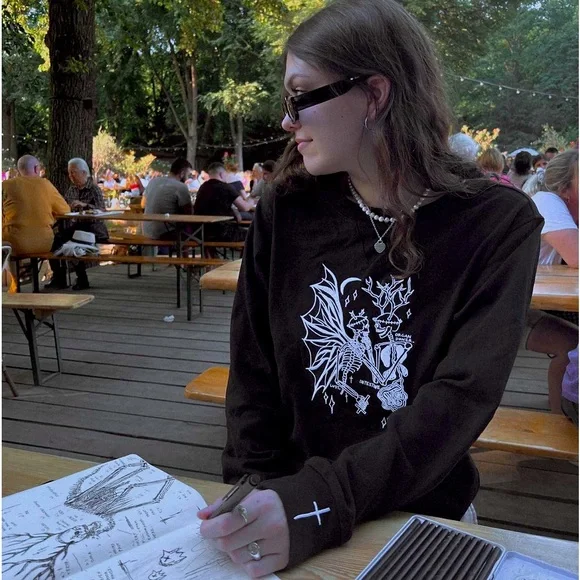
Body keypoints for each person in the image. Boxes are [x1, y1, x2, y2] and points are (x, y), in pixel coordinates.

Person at [197, 1, 543, 576]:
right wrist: (253, 489)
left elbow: (460, 399)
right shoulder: (288, 206)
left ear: (375, 95)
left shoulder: (497, 224)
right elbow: (254, 368)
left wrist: (319, 502)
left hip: (422, 519)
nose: (286, 121)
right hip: (283, 510)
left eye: (301, 95)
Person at [525, 149, 578, 413]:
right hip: (505, 310)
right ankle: (561, 419)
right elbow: (576, 256)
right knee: (572, 345)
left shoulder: (569, 210)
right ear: (564, 188)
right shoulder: (547, 201)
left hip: (537, 303)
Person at [2, 155, 70, 292]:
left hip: (15, 243)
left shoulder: (6, 185)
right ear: (36, 168)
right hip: (44, 242)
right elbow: (65, 210)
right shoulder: (46, 185)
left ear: (19, 170)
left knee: (6, 246)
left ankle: (15, 285)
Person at [47, 158, 108, 290]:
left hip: (93, 228)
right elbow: (64, 206)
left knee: (74, 241)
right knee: (55, 240)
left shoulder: (94, 189)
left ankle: (82, 278)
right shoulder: (72, 189)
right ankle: (59, 277)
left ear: (84, 172)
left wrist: (85, 205)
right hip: (75, 227)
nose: (71, 176)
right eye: (69, 173)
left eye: (73, 172)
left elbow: (102, 210)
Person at [193, 162, 255, 240]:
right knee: (254, 235)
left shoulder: (202, 187)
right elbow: (244, 207)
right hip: (222, 232)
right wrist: (252, 201)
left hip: (202, 233)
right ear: (222, 174)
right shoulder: (226, 187)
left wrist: (234, 211)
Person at [141, 158, 193, 240]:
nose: (188, 178)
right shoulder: (181, 187)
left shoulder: (153, 181)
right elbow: (189, 213)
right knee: (192, 231)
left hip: (146, 231)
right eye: (188, 175)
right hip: (165, 233)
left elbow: (143, 204)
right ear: (182, 173)